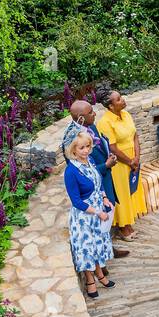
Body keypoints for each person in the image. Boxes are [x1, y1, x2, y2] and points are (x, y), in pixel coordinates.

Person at [65, 99, 129, 259]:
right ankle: (100, 262)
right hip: (91, 189)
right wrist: (105, 165)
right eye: (90, 113)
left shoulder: (91, 126)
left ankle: (107, 248)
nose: (95, 114)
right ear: (80, 118)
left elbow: (99, 146)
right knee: (98, 222)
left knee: (109, 211)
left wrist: (108, 155)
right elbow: (80, 170)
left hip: (104, 180)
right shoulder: (70, 139)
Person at [62, 127, 115, 299]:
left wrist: (105, 197)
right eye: (81, 148)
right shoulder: (71, 171)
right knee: (87, 249)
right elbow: (76, 201)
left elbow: (98, 184)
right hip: (84, 216)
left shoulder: (90, 161)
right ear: (73, 150)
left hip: (98, 209)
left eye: (88, 146)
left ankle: (100, 275)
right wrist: (98, 212)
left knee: (97, 246)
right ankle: (90, 280)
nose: (86, 151)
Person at [96, 90, 148, 241]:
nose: (123, 100)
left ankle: (129, 220)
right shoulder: (105, 123)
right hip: (119, 163)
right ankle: (123, 226)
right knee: (122, 193)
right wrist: (130, 161)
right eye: (118, 99)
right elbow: (112, 147)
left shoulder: (126, 115)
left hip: (133, 159)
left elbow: (135, 136)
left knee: (132, 190)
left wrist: (137, 158)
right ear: (111, 106)